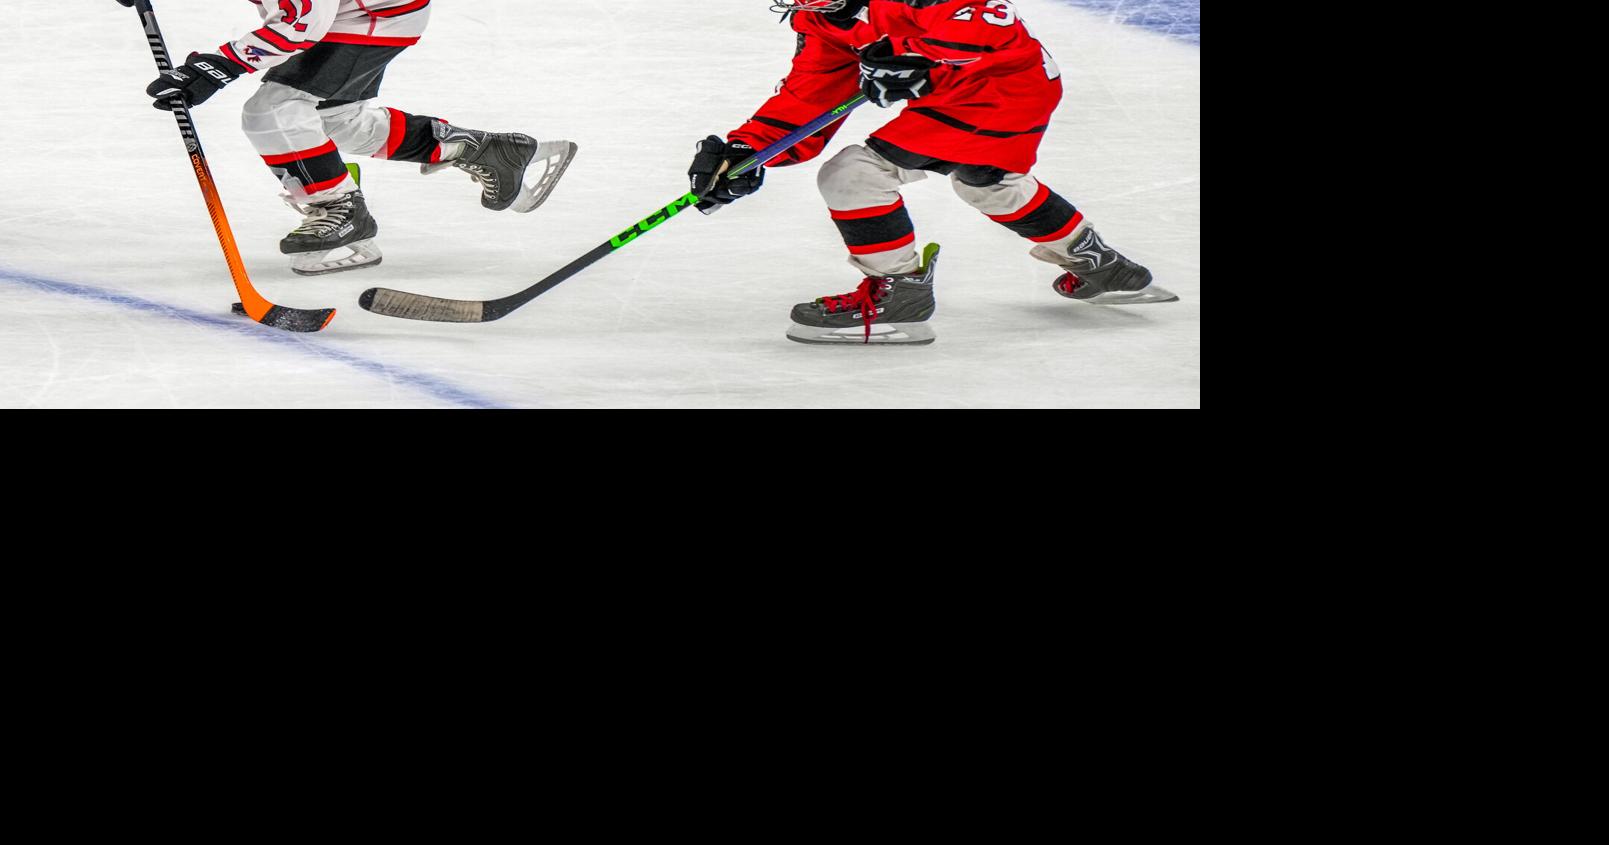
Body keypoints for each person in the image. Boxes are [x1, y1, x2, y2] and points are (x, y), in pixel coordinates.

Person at [689, 0, 1175, 345]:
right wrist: (747, 151)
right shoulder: (822, 20)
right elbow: (809, 95)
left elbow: (989, 22)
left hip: (1002, 88)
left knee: (854, 175)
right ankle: (1098, 262)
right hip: (965, 95)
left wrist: (916, 52)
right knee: (986, 182)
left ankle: (899, 295)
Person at [130, 0, 577, 275]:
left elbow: (304, 23)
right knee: (334, 120)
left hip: (370, 16)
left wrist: (220, 66)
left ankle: (340, 208)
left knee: (275, 112)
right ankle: (482, 148)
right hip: (365, 9)